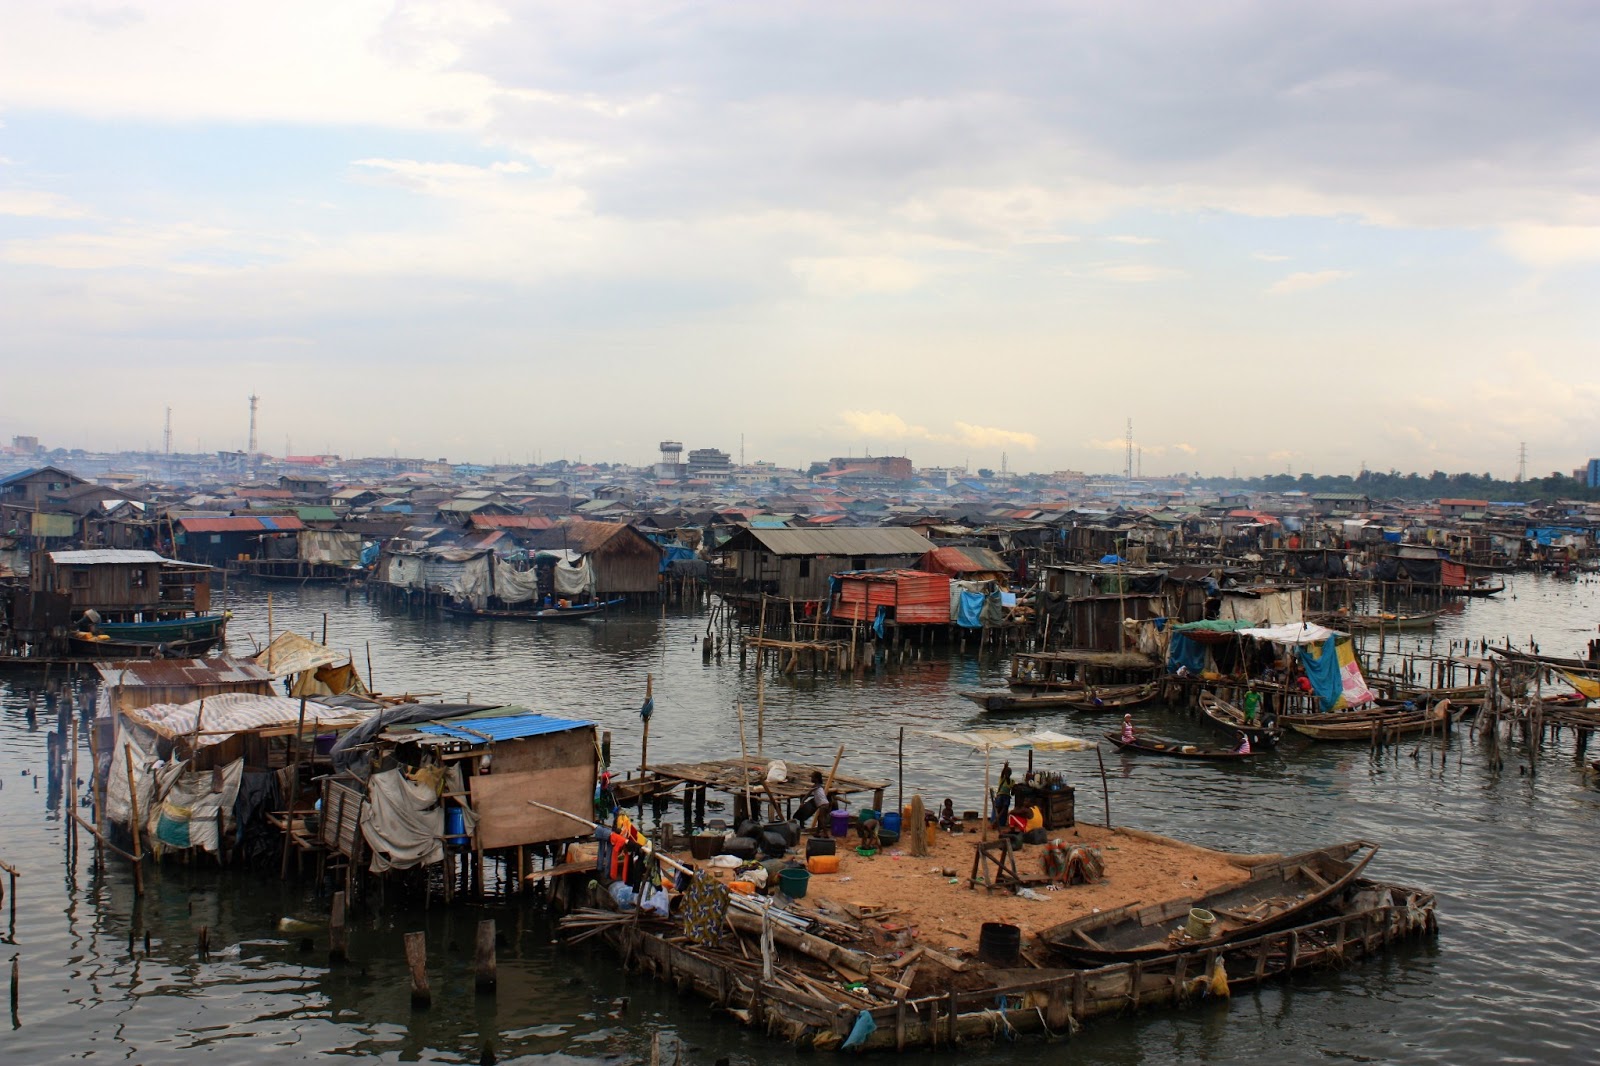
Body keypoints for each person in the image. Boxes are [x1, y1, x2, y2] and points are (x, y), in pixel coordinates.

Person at [991, 762, 1013, 828]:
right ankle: (996, 821)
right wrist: (1005, 767)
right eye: (1006, 773)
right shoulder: (1003, 779)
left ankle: (996, 821)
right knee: (999, 808)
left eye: (1008, 773)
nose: (1007, 774)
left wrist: (1005, 768)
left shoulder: (1010, 781)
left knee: (1002, 809)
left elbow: (1011, 789)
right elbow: (1002, 774)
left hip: (1004, 796)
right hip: (1002, 796)